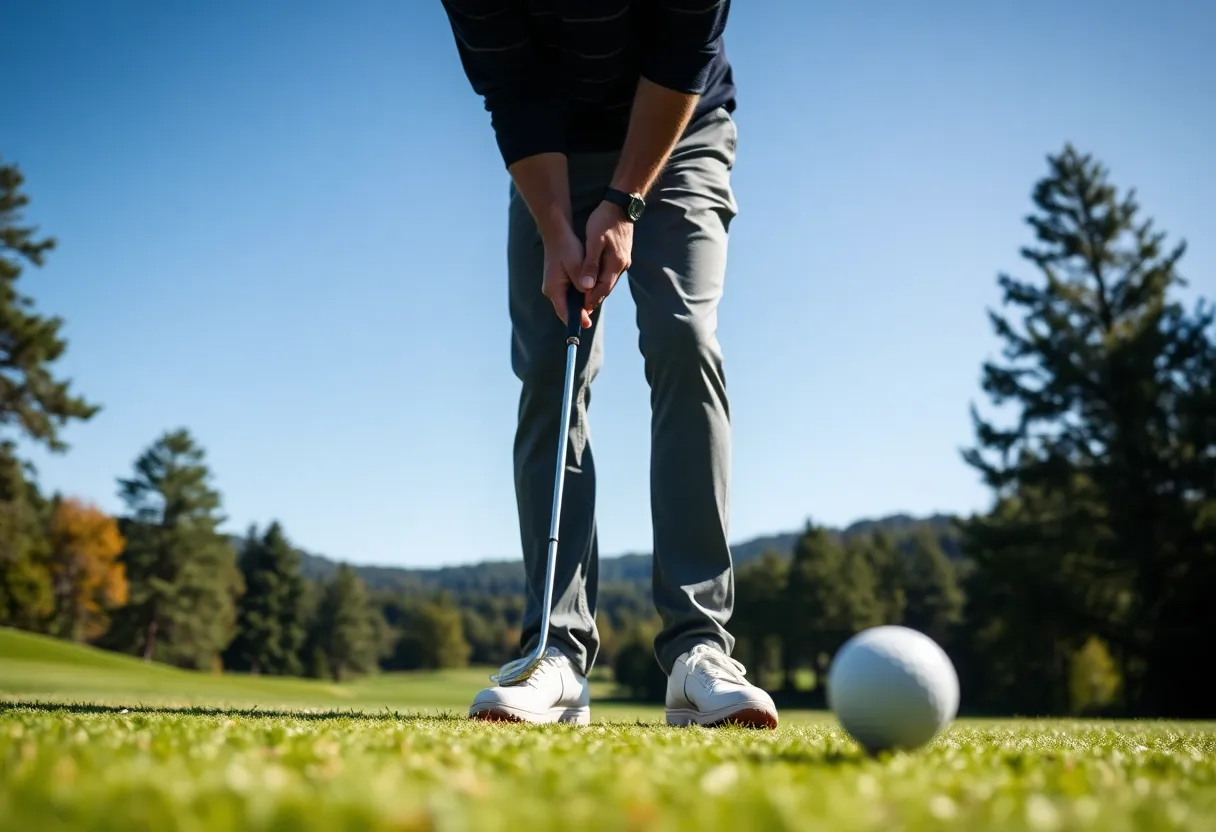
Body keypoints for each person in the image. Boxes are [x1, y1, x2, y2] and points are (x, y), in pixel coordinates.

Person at [440, 0, 777, 729]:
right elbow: (513, 89)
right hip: (555, 151)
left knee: (683, 334)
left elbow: (685, 48)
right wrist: (557, 226)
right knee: (551, 366)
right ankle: (554, 653)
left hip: (680, 129)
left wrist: (624, 204)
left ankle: (699, 650)